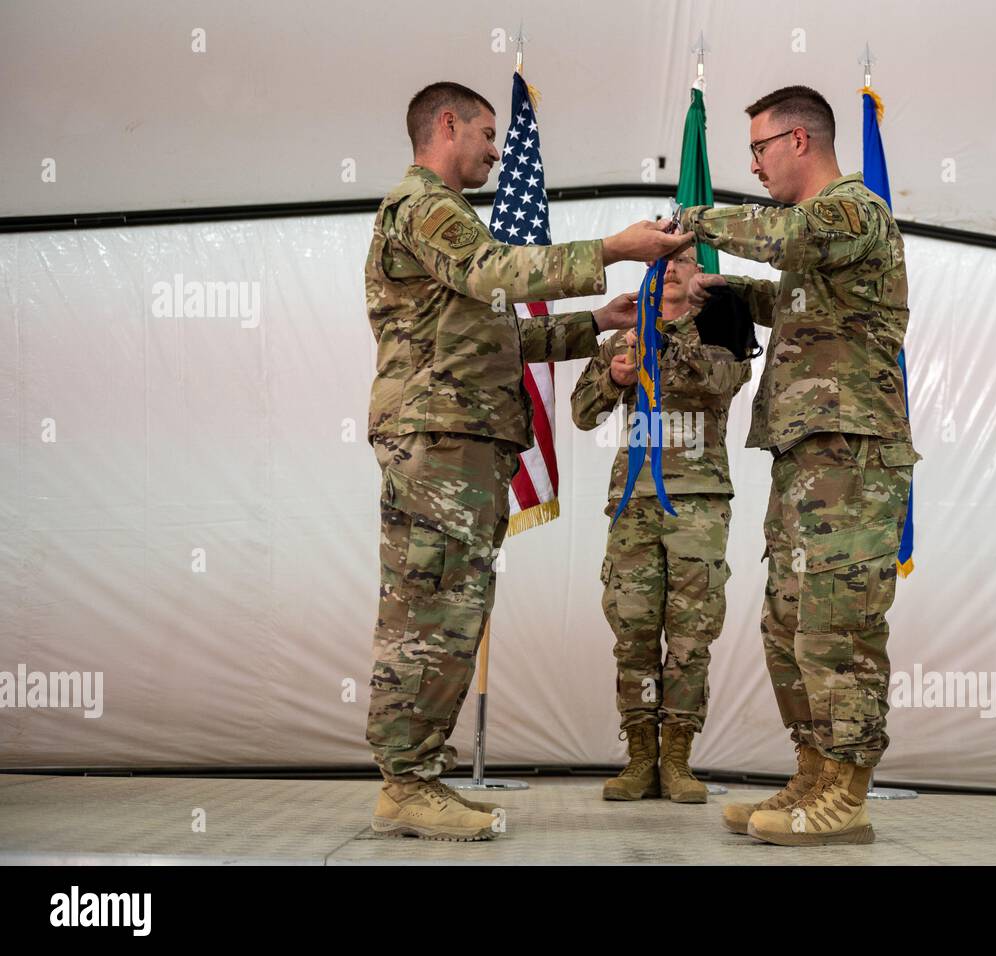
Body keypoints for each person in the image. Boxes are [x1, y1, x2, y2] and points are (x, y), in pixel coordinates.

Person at [364, 81, 694, 842]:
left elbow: (500, 342)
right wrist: (613, 251)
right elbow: (495, 273)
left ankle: (411, 780)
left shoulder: (445, 221)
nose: (495, 150)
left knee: (451, 610)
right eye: (486, 133)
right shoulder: (424, 209)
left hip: (462, 439)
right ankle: (407, 781)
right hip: (438, 442)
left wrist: (595, 323)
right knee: (430, 613)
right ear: (446, 125)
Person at [681, 85, 921, 846]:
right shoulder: (817, 239)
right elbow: (795, 295)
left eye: (757, 149)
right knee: (787, 623)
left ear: (797, 141)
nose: (752, 165)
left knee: (836, 626)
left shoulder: (853, 211)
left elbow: (789, 242)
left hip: (852, 457)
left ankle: (846, 793)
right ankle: (814, 772)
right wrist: (719, 290)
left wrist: (688, 223)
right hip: (805, 455)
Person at [571, 245, 751, 803]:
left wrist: (660, 337)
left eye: (685, 260)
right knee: (634, 632)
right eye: (663, 259)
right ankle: (640, 758)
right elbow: (582, 412)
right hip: (634, 502)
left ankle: (677, 757)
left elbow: (722, 380)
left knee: (692, 634)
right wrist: (615, 378)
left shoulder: (721, 323)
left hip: (697, 502)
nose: (671, 267)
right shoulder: (623, 335)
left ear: (703, 273)